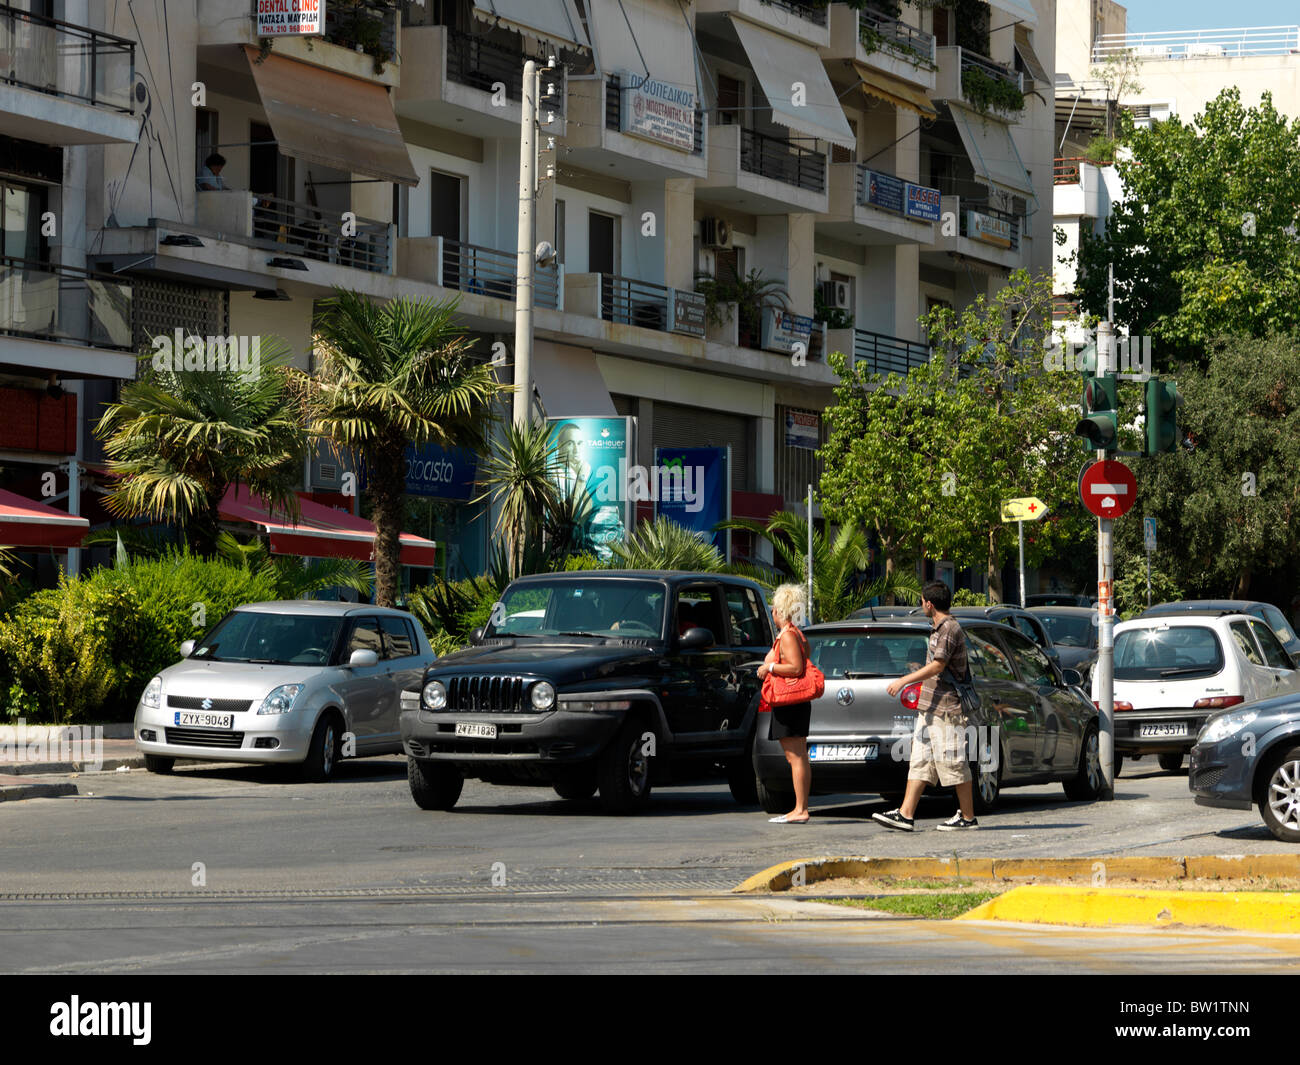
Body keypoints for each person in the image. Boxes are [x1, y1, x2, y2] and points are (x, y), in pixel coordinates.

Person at [874, 580, 979, 831]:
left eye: (922, 601)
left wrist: (903, 680)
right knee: (920, 761)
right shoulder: (936, 628)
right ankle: (906, 814)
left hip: (946, 708)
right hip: (929, 708)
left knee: (954, 762)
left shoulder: (949, 629)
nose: (921, 605)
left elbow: (938, 665)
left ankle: (968, 817)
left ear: (929, 603)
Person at [758, 583, 813, 824]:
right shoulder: (796, 633)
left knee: (795, 756)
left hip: (789, 702)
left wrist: (768, 667)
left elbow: (796, 668)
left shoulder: (789, 635)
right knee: (799, 755)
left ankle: (800, 809)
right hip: (795, 702)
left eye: (773, 609)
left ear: (780, 610)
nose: (772, 613)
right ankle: (800, 807)